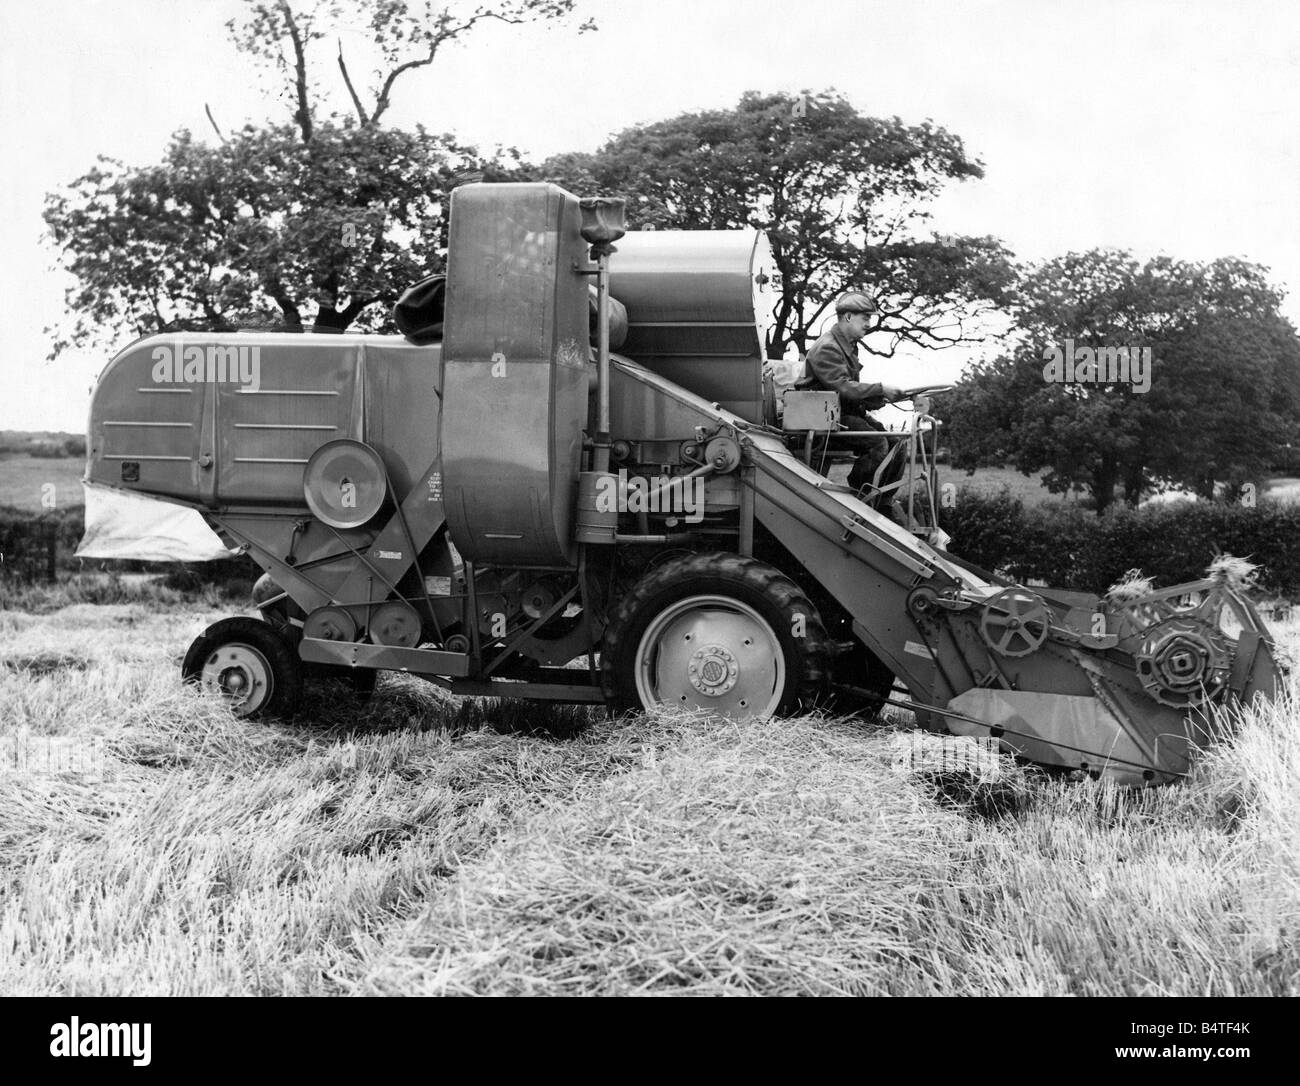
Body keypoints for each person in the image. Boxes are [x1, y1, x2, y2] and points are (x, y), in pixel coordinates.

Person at [800, 291, 905, 503]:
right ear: (848, 317)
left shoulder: (847, 346)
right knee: (878, 444)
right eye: (865, 318)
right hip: (823, 418)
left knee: (897, 443)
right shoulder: (828, 347)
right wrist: (880, 389)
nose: (868, 324)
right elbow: (844, 387)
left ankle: (883, 500)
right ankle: (860, 497)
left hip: (841, 413)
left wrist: (875, 400)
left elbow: (849, 391)